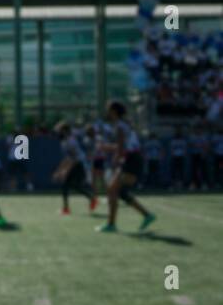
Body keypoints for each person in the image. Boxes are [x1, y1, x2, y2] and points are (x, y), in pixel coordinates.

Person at [96, 100, 155, 234]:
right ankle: (147, 215)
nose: (107, 112)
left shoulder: (120, 126)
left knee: (112, 190)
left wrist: (115, 161)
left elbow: (121, 148)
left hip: (132, 160)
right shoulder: (122, 124)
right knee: (119, 192)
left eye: (109, 109)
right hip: (133, 159)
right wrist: (107, 148)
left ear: (114, 111)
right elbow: (122, 146)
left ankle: (111, 225)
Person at [52, 121, 94, 216]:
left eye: (59, 131)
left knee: (67, 184)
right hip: (75, 164)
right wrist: (59, 170)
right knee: (73, 185)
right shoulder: (64, 141)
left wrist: (65, 171)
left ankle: (66, 209)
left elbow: (74, 158)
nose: (58, 133)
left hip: (79, 165)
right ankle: (91, 198)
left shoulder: (71, 141)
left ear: (65, 131)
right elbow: (67, 158)